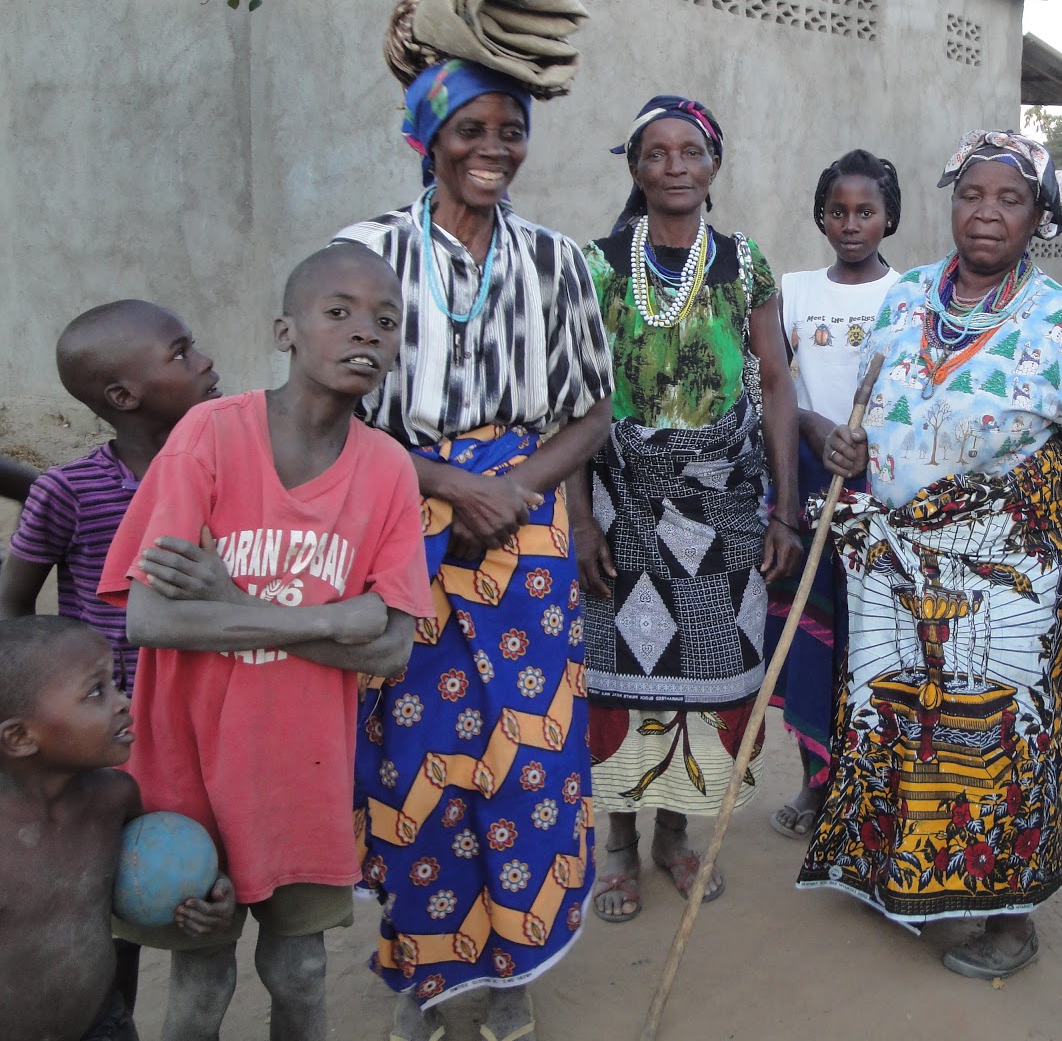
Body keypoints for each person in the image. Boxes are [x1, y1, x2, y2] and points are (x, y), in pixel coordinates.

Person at [798, 129, 1062, 979]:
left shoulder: (1060, 322)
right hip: (896, 564)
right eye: (972, 195)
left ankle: (1009, 919)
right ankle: (901, 878)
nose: (986, 213)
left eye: (1010, 199)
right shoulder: (906, 297)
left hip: (1007, 569)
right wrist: (849, 451)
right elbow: (870, 417)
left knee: (1007, 736)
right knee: (903, 723)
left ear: (1039, 218)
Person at [333, 57, 614, 1036]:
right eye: (472, 130)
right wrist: (448, 483)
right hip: (399, 515)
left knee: (526, 754)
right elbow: (330, 409)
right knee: (420, 751)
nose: (494, 150)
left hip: (521, 533)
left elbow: (593, 410)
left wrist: (514, 490)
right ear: (428, 137)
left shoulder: (557, 261)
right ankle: (431, 966)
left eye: (511, 131)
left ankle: (511, 969)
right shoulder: (365, 253)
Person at [97, 245, 435, 1041]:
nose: (367, 333)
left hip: (298, 774)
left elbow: (390, 650)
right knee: (203, 982)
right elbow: (150, 618)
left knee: (302, 972)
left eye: (386, 322)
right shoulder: (210, 436)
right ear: (286, 330)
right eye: (340, 312)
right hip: (188, 772)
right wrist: (325, 617)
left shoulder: (386, 469)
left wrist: (226, 601)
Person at [571, 94, 803, 923]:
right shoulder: (596, 266)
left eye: (690, 152)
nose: (674, 166)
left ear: (714, 165)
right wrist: (581, 520)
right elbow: (577, 399)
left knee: (705, 679)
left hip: (726, 509)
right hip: (623, 502)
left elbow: (776, 384)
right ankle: (621, 847)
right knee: (619, 681)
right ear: (635, 168)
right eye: (655, 153)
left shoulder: (747, 265)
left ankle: (675, 835)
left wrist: (783, 509)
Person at [0, 299, 220, 1014]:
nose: (205, 361)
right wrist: (42, 698)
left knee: (186, 872)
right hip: (111, 731)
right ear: (123, 396)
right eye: (181, 353)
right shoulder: (68, 492)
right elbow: (14, 602)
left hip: (203, 715)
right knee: (107, 888)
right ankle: (106, 1014)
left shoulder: (231, 475)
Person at [0, 616, 236, 1041]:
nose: (123, 701)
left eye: (117, 683)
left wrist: (208, 890)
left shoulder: (114, 798)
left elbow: (152, 868)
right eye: (95, 692)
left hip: (103, 1024)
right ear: (19, 737)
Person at [767, 148, 901, 841]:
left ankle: (864, 788)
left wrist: (867, 445)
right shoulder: (792, 291)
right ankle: (815, 785)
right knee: (809, 639)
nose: (851, 224)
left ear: (889, 218)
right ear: (822, 217)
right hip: (809, 483)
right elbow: (774, 389)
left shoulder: (911, 296)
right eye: (837, 212)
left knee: (870, 643)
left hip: (880, 489)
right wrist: (818, 431)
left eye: (866, 212)